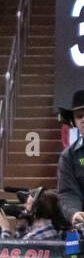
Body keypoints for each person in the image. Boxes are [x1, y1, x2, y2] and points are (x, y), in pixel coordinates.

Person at [57, 89, 84, 231]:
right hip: (82, 227)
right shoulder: (68, 156)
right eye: (79, 116)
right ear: (74, 122)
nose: (83, 119)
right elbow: (68, 192)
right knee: (72, 250)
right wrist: (74, 213)